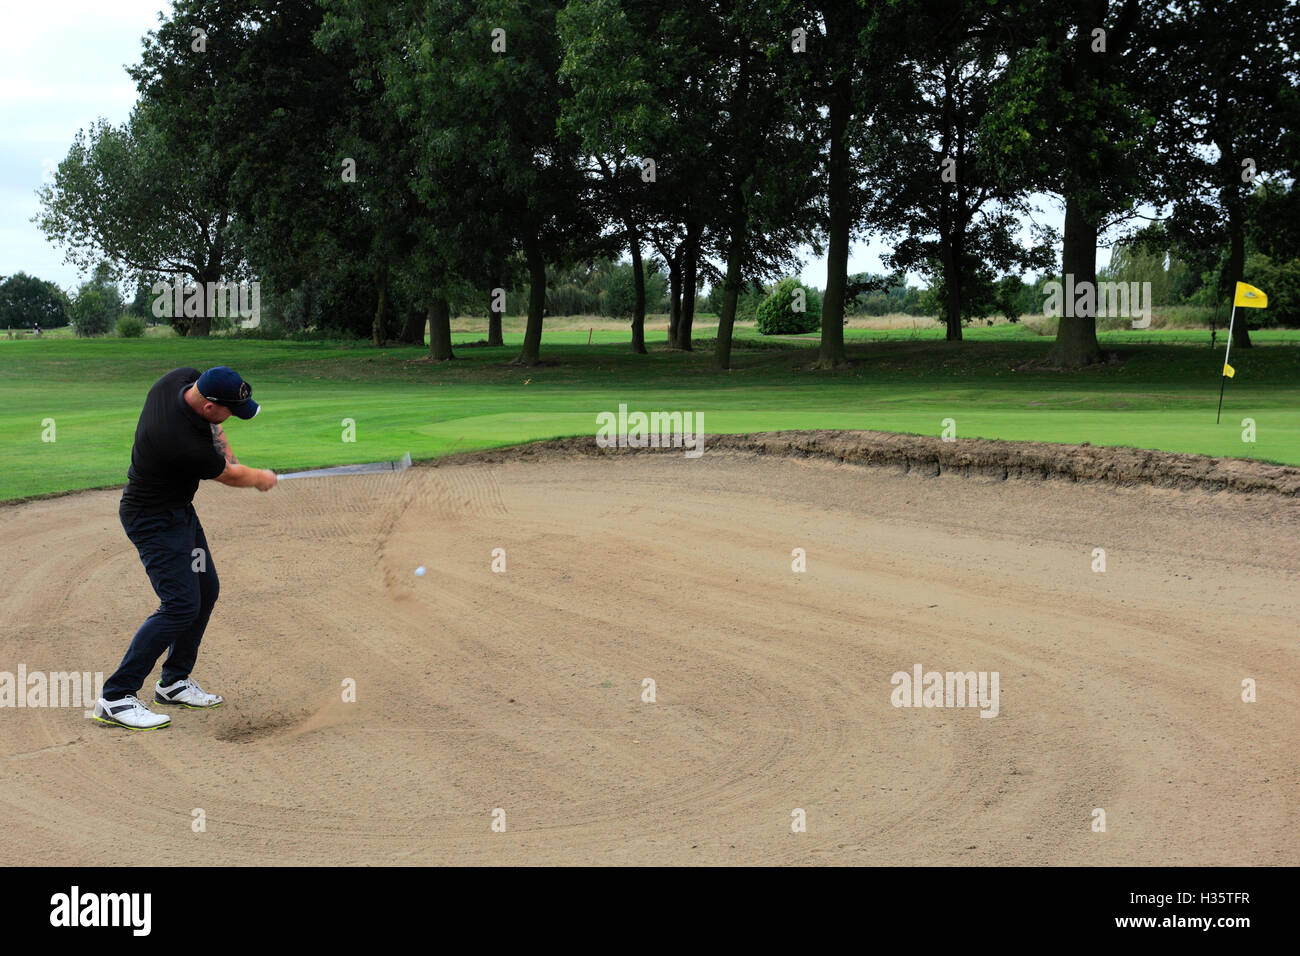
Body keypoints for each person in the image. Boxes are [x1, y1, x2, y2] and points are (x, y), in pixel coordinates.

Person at [92, 366, 278, 730]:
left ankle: (174, 682)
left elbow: (220, 444)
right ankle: (116, 697)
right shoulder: (178, 440)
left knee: (205, 590)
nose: (231, 419)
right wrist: (258, 477)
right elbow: (229, 475)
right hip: (153, 520)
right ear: (209, 406)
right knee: (179, 605)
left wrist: (236, 462)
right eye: (230, 412)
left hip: (179, 514)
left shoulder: (180, 380)